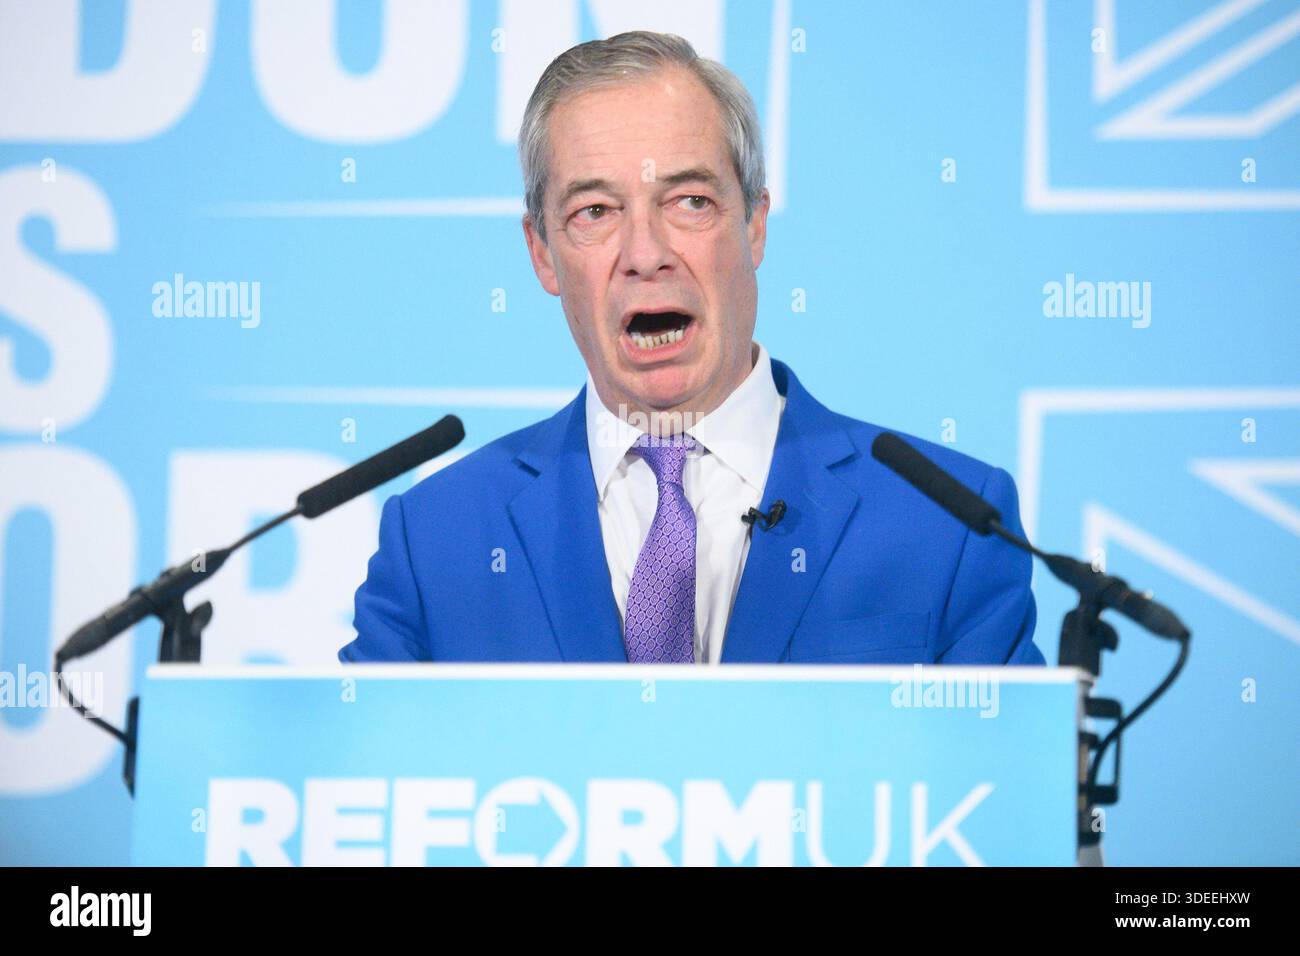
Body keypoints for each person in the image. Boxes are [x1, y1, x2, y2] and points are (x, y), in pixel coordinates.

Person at [340, 31, 1043, 666]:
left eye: (689, 202)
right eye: (594, 212)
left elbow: (1006, 796)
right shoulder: (437, 542)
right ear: (543, 254)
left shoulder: (947, 525)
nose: (645, 254)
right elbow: (354, 791)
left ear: (755, 225)